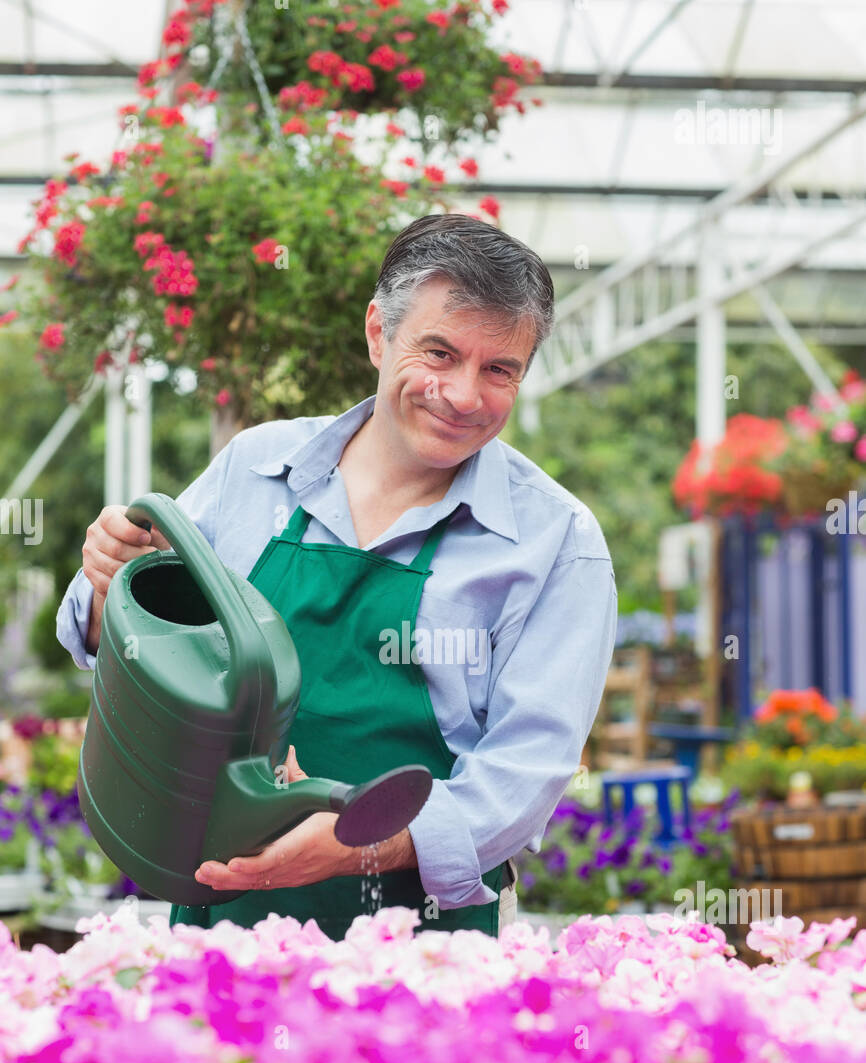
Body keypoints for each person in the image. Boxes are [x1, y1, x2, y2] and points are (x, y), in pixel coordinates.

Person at [56, 213, 617, 939]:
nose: (465, 395)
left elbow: (528, 771)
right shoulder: (257, 469)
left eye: (499, 369)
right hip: (229, 911)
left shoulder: (557, 543)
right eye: (439, 353)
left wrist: (361, 846)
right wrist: (110, 583)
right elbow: (125, 637)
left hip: (427, 940)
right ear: (379, 333)